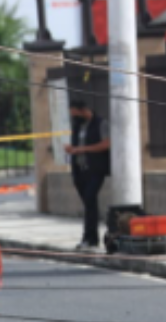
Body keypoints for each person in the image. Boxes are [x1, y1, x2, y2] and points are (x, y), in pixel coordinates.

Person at [65, 100, 112, 251]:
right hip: (80, 170)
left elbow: (106, 144)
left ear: (84, 110)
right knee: (88, 204)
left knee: (90, 199)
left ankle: (90, 238)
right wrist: (72, 150)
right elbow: (77, 146)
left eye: (75, 113)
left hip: (95, 169)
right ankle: (90, 238)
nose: (74, 117)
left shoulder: (100, 123)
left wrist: (82, 149)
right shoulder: (78, 126)